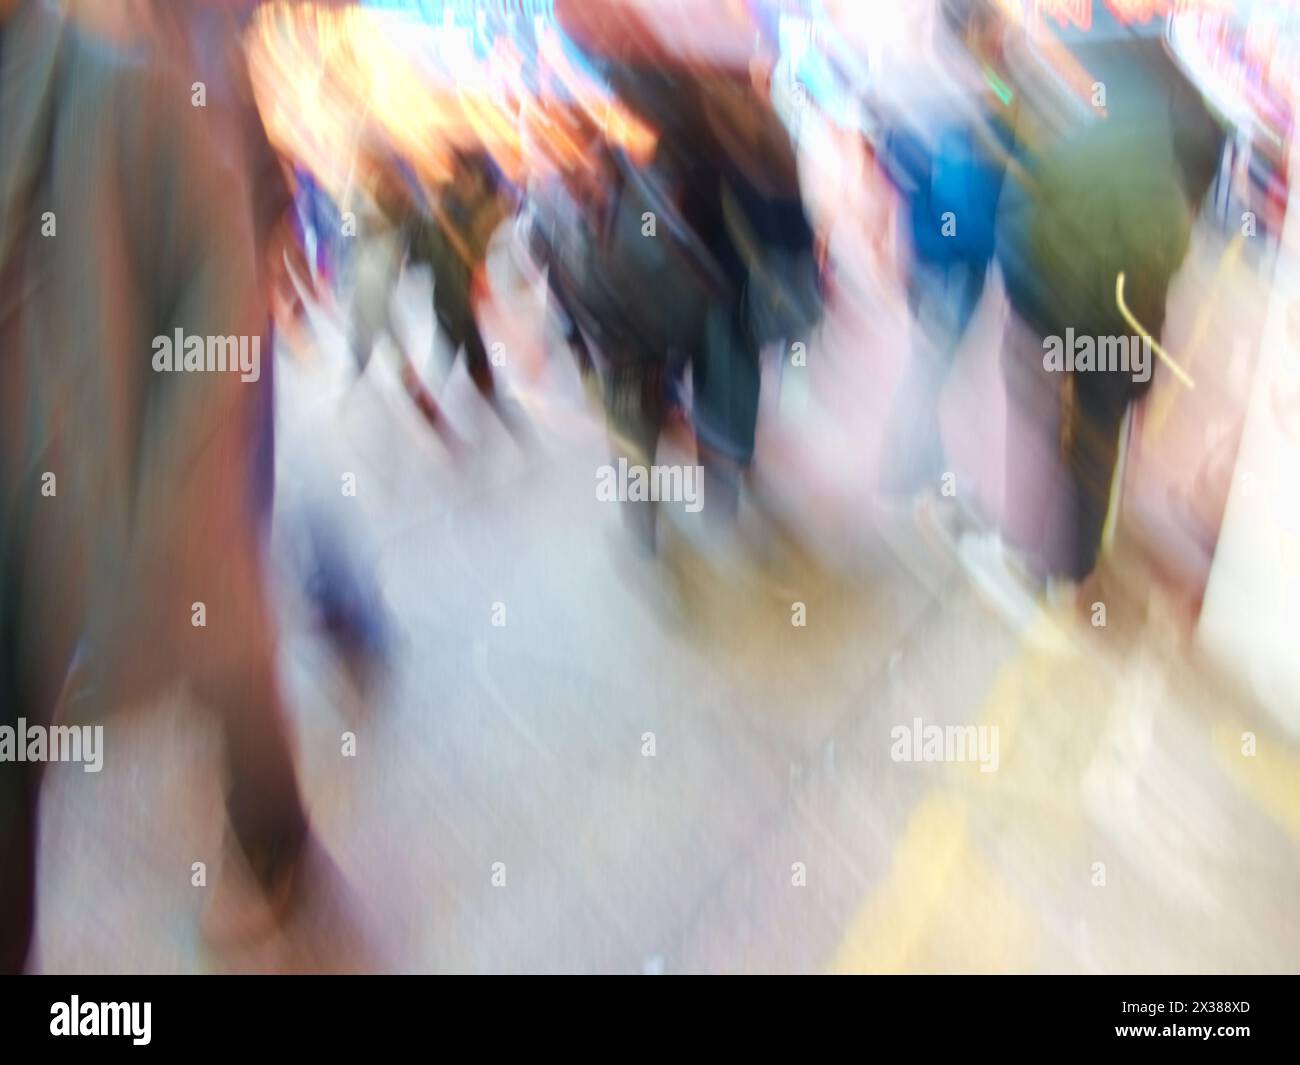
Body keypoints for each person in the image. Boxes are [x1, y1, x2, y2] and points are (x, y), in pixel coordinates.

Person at [0, 0, 308, 970]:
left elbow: (225, 229)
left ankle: (273, 831)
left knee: (218, 606)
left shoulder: (116, 63)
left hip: (169, 340)